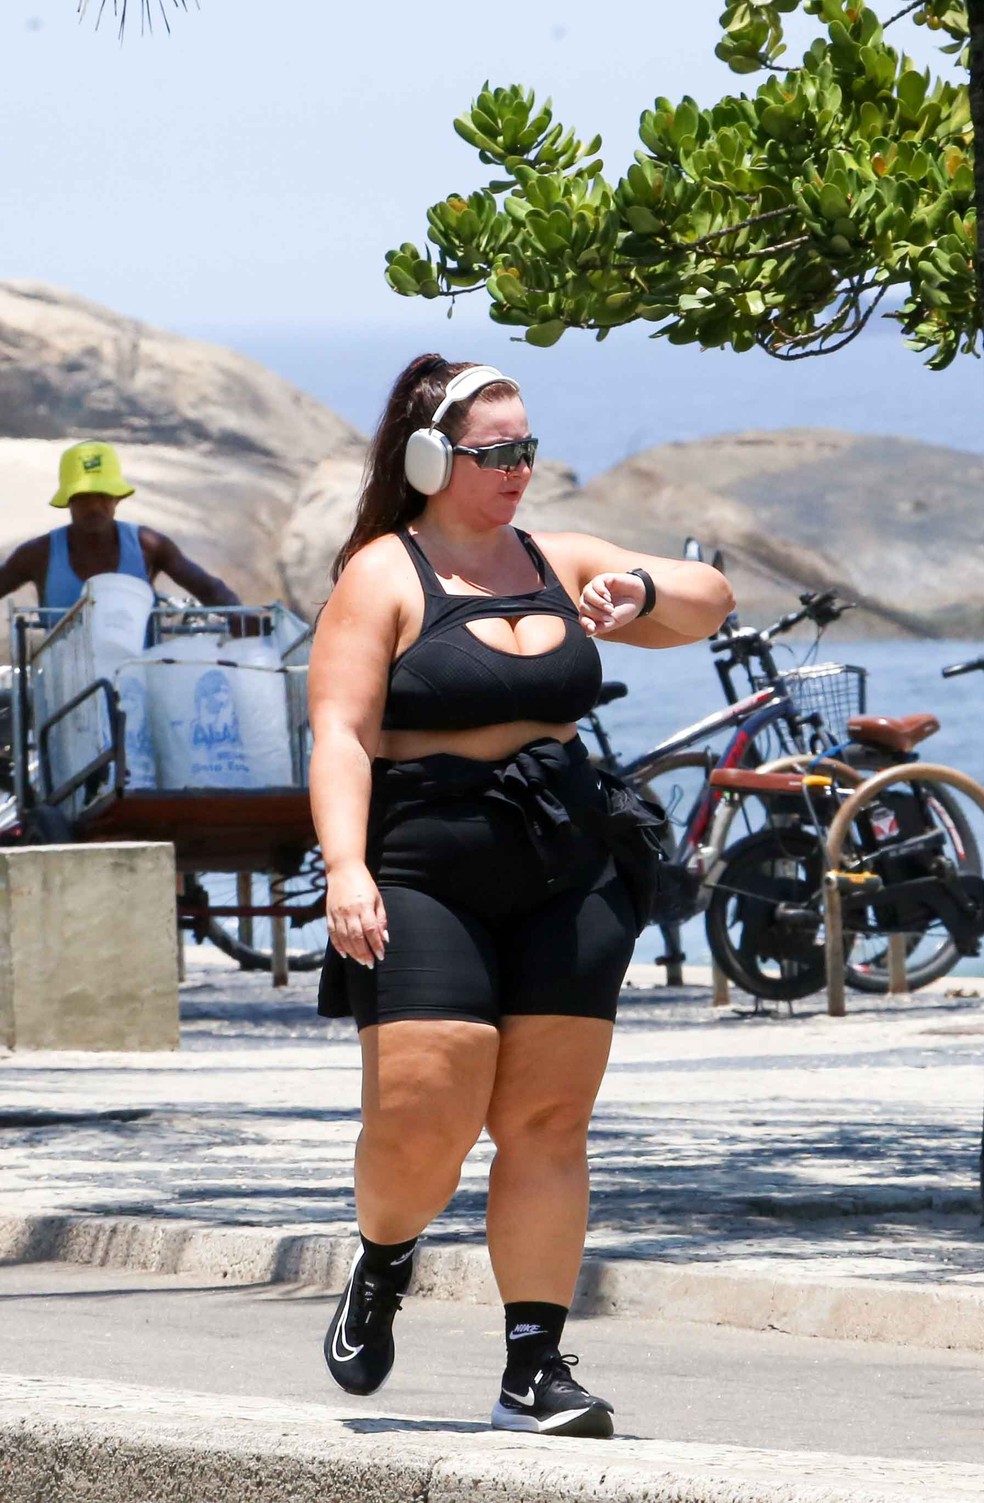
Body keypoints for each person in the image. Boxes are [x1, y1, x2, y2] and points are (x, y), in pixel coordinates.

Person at [308, 355, 734, 1438]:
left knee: (548, 1121)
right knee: (426, 1112)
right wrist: (347, 868)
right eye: (495, 452)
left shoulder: (559, 558)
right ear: (430, 459)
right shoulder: (383, 575)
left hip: (567, 861)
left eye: (527, 449)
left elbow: (711, 600)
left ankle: (532, 1370)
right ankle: (384, 1256)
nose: (518, 469)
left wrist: (641, 595)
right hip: (423, 866)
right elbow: (341, 733)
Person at [0, 439, 243, 615]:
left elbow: (208, 589)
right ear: (69, 501)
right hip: (62, 673)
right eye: (83, 497)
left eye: (103, 495)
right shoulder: (37, 554)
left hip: (136, 672)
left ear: (117, 498)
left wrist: (240, 616)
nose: (94, 506)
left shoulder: (148, 546)